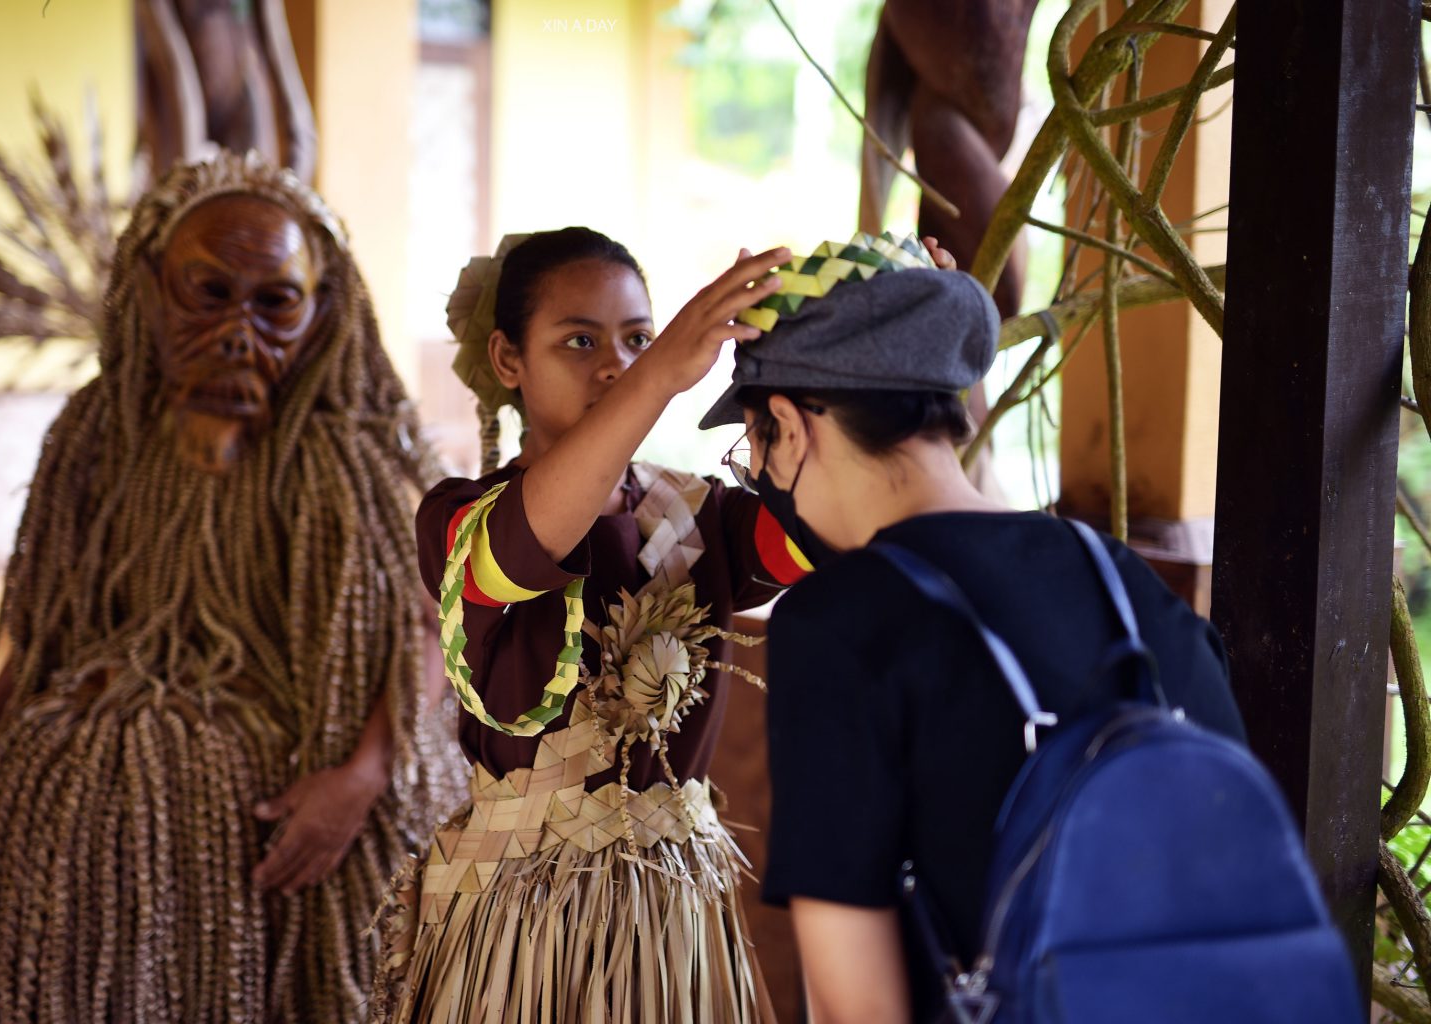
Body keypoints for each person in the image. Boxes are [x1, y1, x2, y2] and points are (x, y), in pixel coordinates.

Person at [0, 152, 465, 1024]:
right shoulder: (99, 433)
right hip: (113, 779)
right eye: (208, 294)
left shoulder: (351, 467)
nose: (237, 333)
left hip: (289, 792)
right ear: (148, 290)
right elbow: (56, 603)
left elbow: (425, 628)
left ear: (325, 309)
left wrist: (364, 774)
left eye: (275, 303)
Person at [372, 227, 927, 1022]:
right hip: (519, 933)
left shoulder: (704, 516)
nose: (616, 363)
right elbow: (529, 543)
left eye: (638, 338)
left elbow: (830, 513)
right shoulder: (461, 518)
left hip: (677, 926)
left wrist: (890, 338)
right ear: (507, 362)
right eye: (579, 340)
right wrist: (661, 373)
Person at [696, 237, 1247, 1023]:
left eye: (750, 444)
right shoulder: (1119, 577)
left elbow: (857, 1004)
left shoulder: (839, 621)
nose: (756, 472)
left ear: (787, 424)